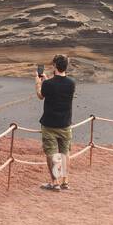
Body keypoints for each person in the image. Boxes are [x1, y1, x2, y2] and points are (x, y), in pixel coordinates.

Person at [34, 54, 75, 190]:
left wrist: (38, 82)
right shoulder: (71, 83)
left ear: (55, 66)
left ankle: (55, 182)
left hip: (50, 124)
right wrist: (46, 80)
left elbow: (41, 95)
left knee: (51, 153)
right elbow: (57, 88)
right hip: (65, 123)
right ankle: (65, 181)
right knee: (65, 153)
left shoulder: (48, 84)